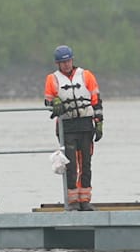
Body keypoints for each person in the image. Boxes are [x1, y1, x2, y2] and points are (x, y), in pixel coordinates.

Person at [43, 45, 103, 210]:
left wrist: (99, 122)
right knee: (70, 164)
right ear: (58, 64)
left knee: (86, 164)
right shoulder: (52, 79)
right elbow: (47, 101)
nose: (67, 65)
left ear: (72, 60)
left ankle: (85, 200)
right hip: (66, 126)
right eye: (63, 62)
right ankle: (73, 201)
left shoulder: (86, 75)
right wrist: (54, 102)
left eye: (68, 61)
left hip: (85, 124)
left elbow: (96, 99)